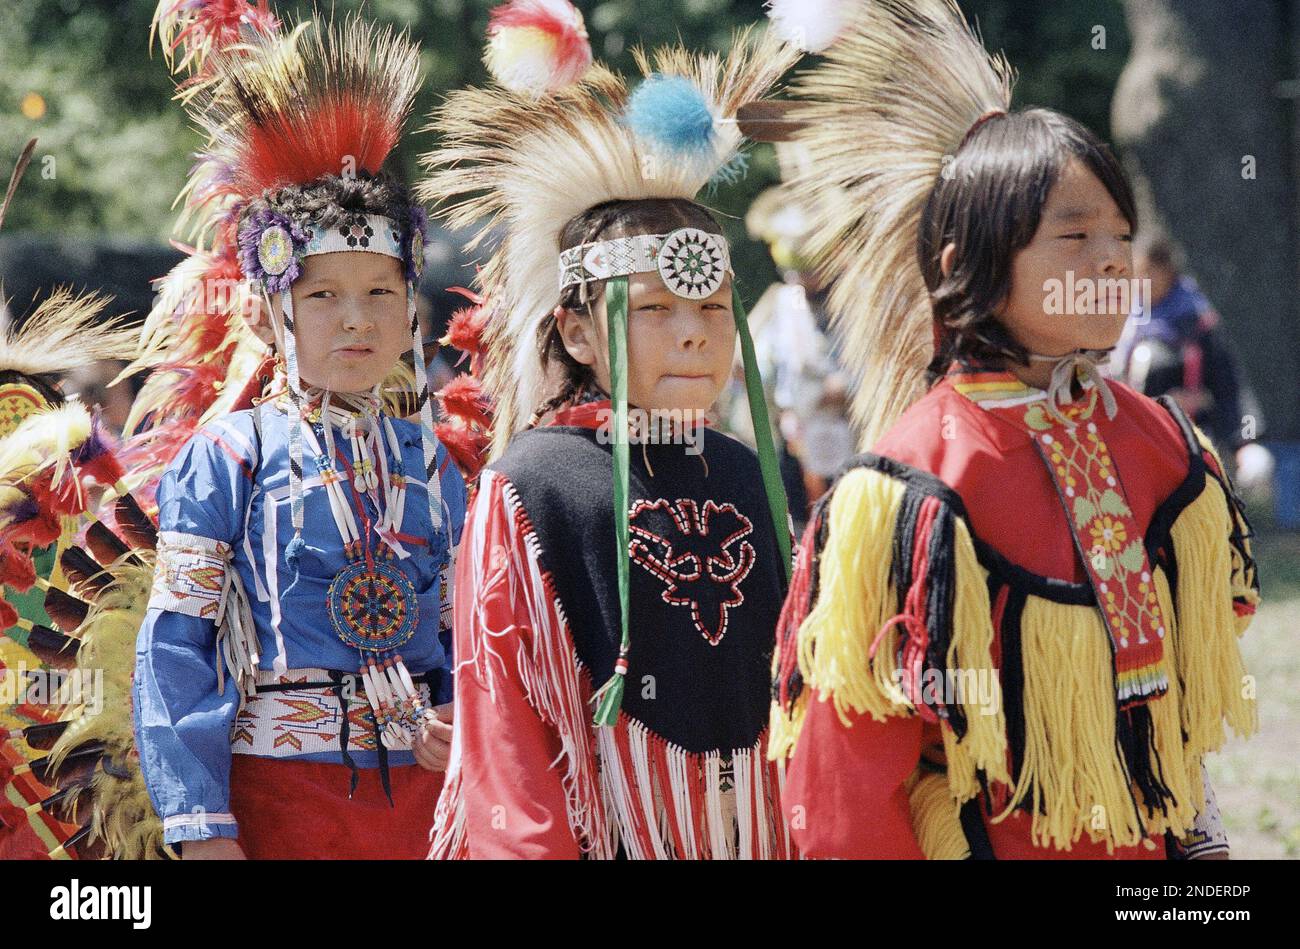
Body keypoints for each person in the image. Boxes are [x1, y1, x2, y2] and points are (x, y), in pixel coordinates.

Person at [767, 0, 1256, 860]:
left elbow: (1182, 706)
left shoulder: (1163, 447)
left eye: (1120, 234)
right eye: (1074, 236)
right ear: (970, 269)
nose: (1111, 259)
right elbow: (848, 766)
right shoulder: (907, 485)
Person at [423, 16, 800, 858]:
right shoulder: (534, 486)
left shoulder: (749, 474)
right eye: (655, 309)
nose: (694, 335)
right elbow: (509, 741)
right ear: (580, 332)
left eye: (709, 309)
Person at [132, 15, 467, 860]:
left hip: (425, 809)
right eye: (322, 297)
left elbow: (470, 639)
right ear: (274, 309)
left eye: (380, 294)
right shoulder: (228, 456)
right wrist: (201, 825)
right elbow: (178, 647)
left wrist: (462, 715)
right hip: (278, 805)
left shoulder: (433, 462)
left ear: (410, 310)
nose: (356, 320)